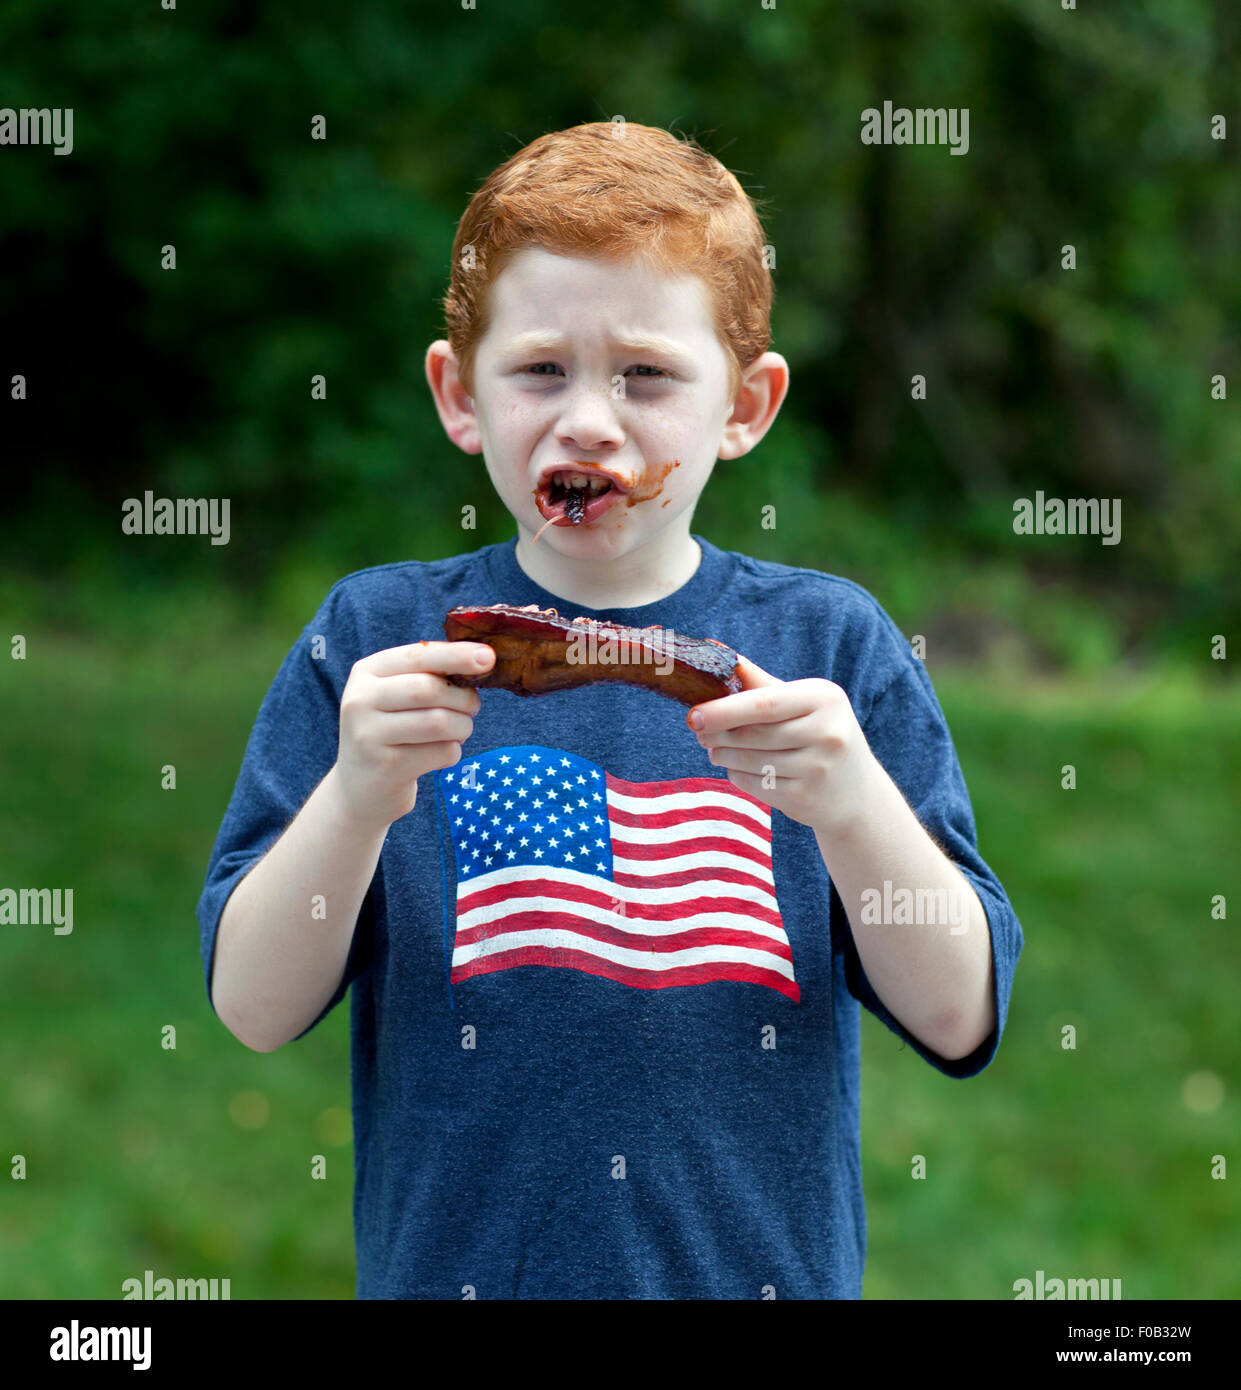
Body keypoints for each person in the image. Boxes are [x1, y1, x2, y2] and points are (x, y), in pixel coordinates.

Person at [197, 121, 1023, 1299]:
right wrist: (354, 797)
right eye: (540, 370)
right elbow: (252, 1008)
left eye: (644, 374)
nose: (590, 418)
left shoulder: (828, 652)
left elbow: (955, 1015)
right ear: (458, 394)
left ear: (743, 406)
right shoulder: (375, 644)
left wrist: (851, 809)